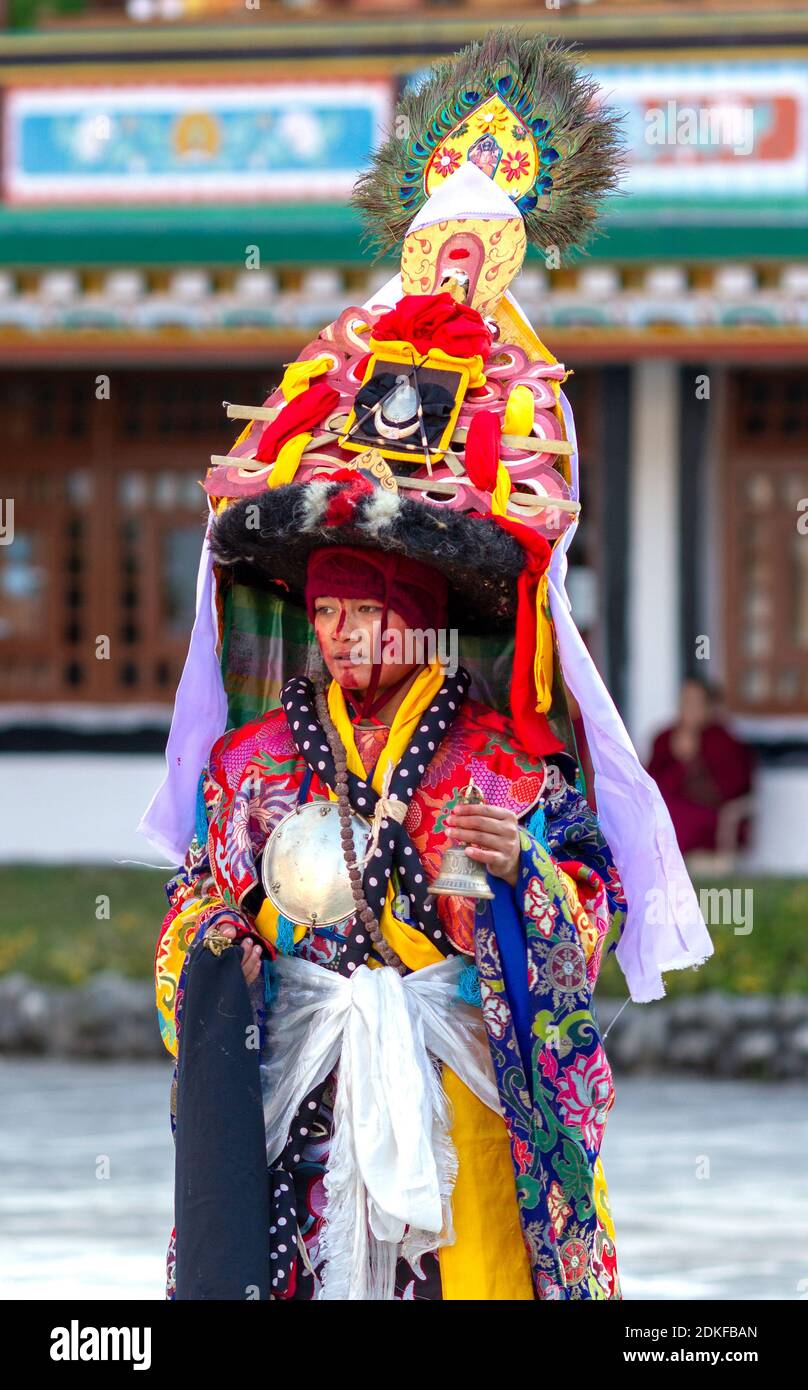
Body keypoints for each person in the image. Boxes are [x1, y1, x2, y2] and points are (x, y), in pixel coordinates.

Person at [146, 30, 712, 1305]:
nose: (347, 637)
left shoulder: (496, 758)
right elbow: (191, 907)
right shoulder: (255, 761)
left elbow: (580, 902)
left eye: (372, 612)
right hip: (307, 1080)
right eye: (329, 614)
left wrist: (527, 889)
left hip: (456, 1081)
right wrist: (222, 939)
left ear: (417, 615)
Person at [647, 678, 754, 855]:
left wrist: (692, 762)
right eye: (685, 702)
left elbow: (731, 790)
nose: (689, 709)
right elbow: (652, 786)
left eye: (695, 703)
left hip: (710, 817)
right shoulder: (664, 738)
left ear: (708, 707)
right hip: (668, 809)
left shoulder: (724, 740)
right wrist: (680, 763)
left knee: (675, 823)